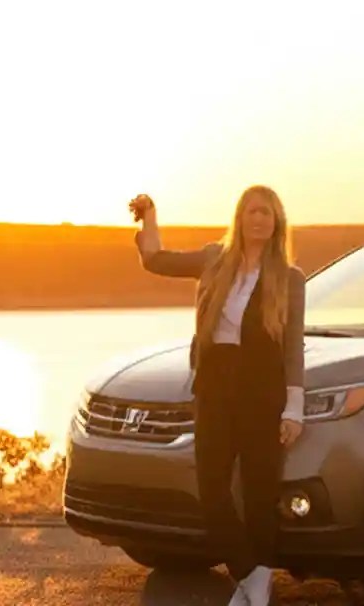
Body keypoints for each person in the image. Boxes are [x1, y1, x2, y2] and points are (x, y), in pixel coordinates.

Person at [129, 187, 306, 606]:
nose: (259, 219)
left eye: (267, 212)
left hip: (263, 390)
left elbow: (293, 346)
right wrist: (149, 217)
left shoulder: (289, 279)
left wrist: (294, 408)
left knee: (260, 492)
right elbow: (157, 259)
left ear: (277, 221)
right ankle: (251, 575)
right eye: (251, 211)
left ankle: (254, 586)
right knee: (211, 487)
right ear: (239, 218)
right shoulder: (214, 259)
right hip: (214, 385)